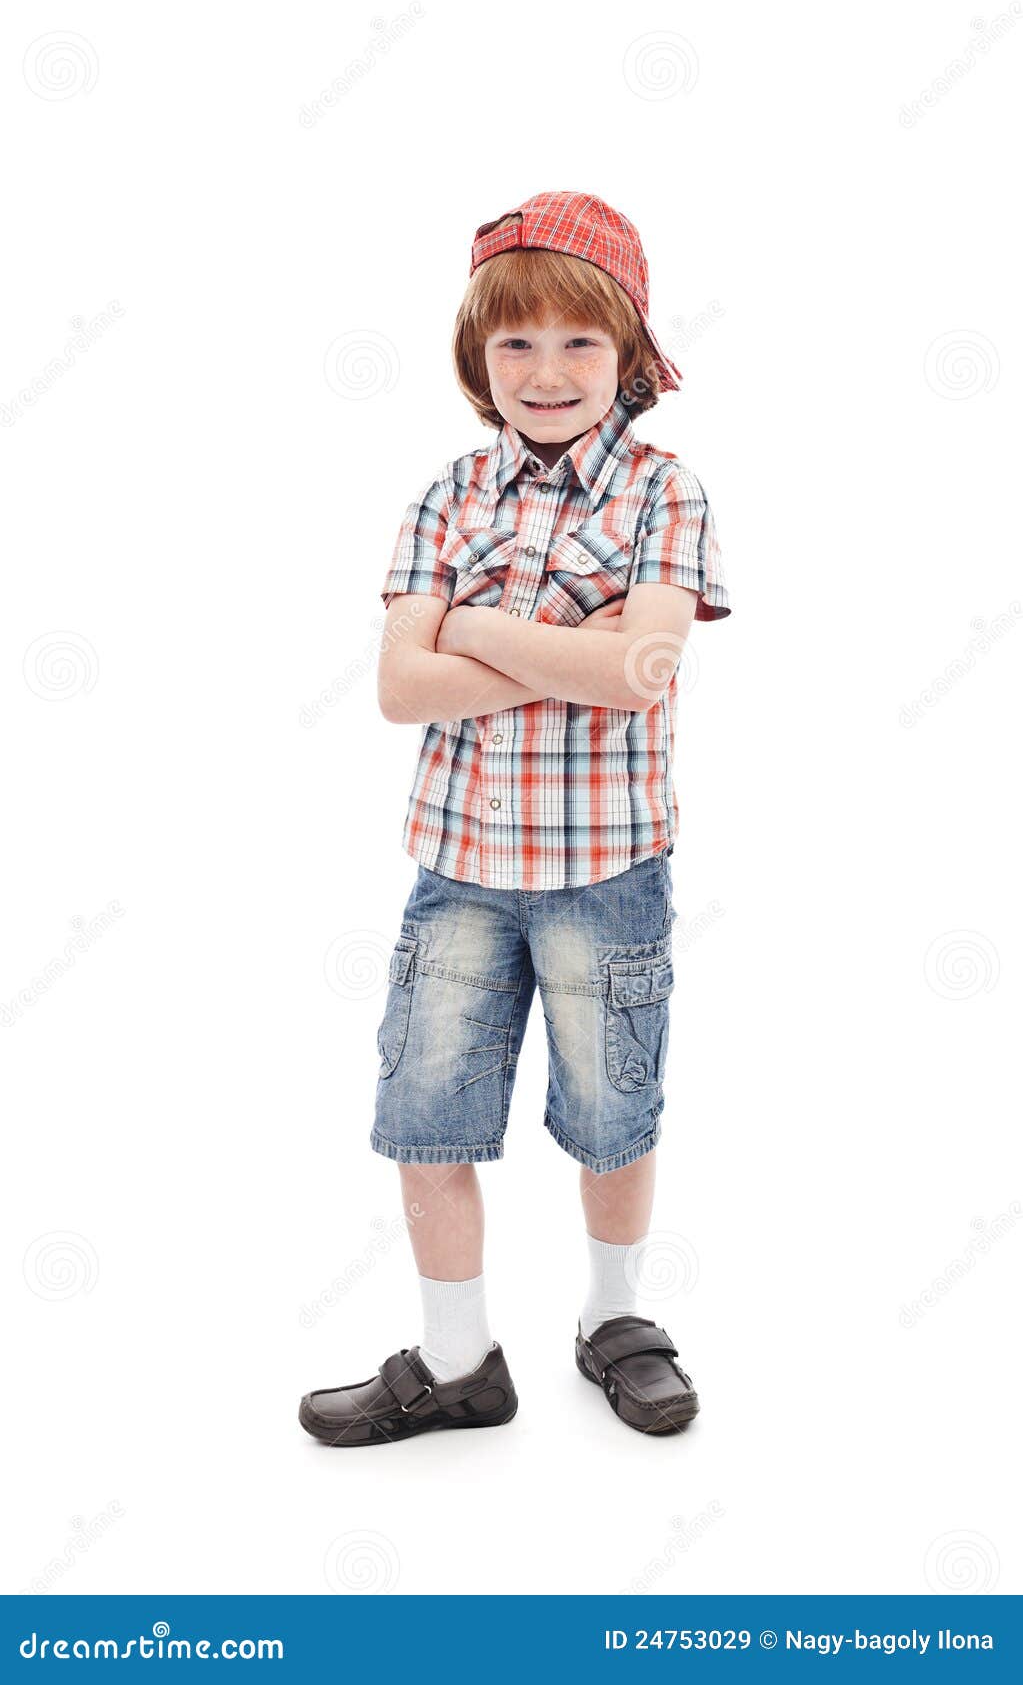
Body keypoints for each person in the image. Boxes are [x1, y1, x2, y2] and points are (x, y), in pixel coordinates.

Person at [299, 190, 732, 1447]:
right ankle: (456, 1359)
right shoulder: (448, 497)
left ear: (629, 352)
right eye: (516, 343)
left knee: (612, 1112)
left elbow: (642, 669)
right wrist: (560, 651)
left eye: (579, 341)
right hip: (461, 868)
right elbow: (400, 687)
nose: (547, 371)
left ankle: (615, 1318)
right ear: (476, 358)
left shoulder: (663, 494)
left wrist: (474, 629)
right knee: (426, 1112)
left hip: (608, 869)